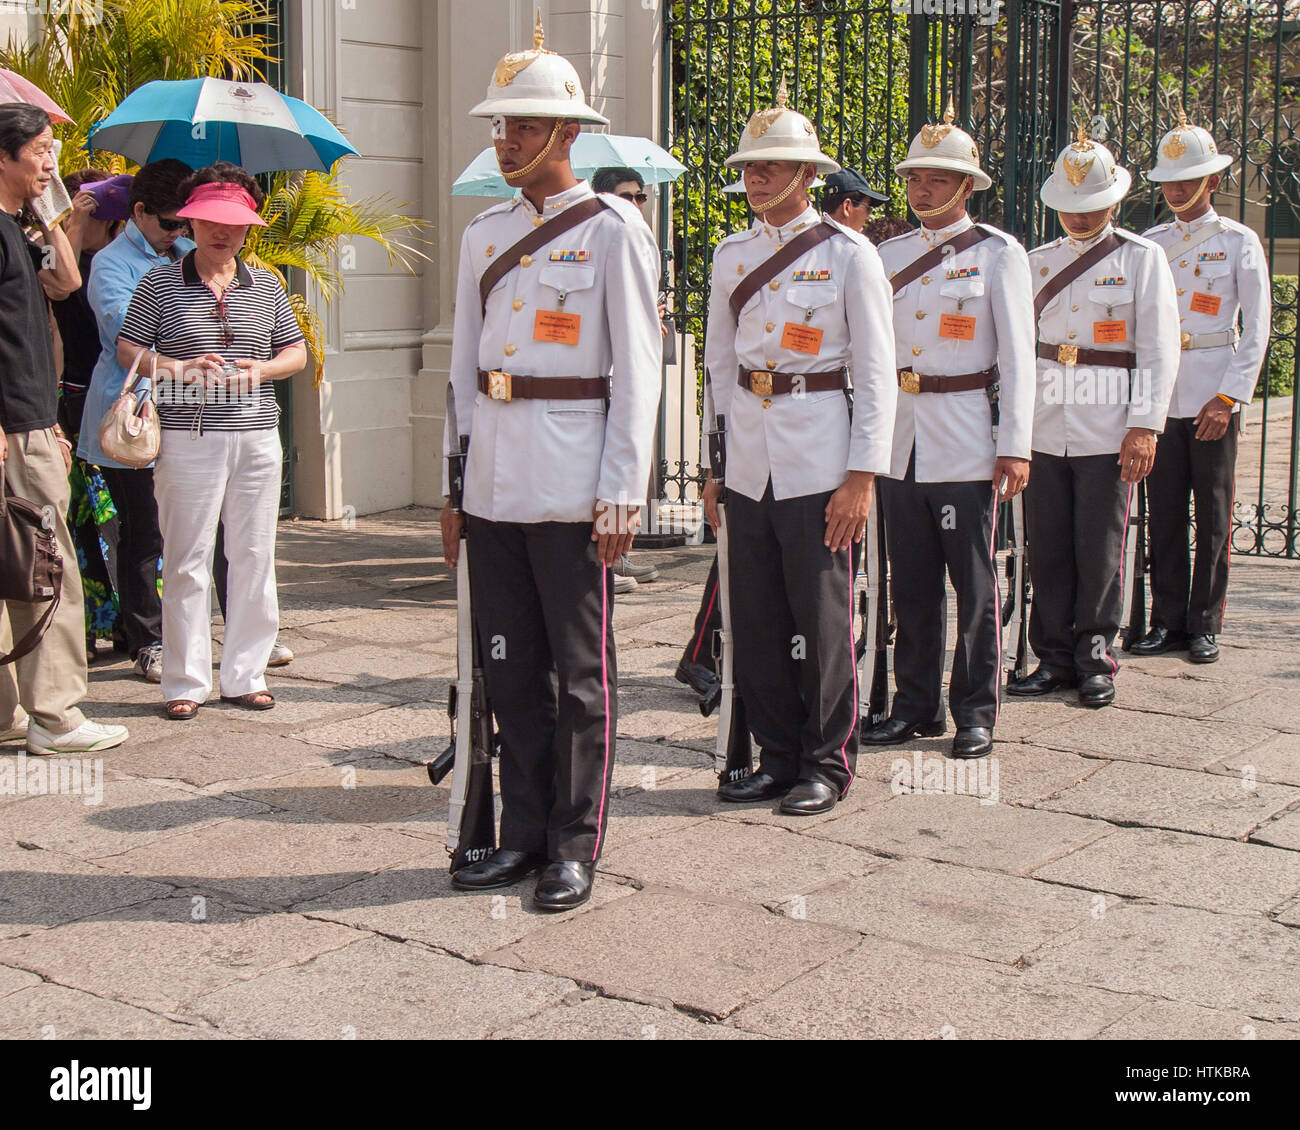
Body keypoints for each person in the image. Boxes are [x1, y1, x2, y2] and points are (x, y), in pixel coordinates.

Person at [440, 15, 661, 910]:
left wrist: (622, 493)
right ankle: (523, 834)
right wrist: (452, 487)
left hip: (573, 486)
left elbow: (638, 370)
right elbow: (461, 371)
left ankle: (574, 843)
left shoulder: (613, 229)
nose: (507, 141)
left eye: (524, 126)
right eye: (500, 126)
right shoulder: (484, 234)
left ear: (569, 133)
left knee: (577, 676)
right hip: (493, 482)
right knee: (507, 666)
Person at [701, 80, 897, 815]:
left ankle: (826, 763)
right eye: (750, 166)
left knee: (820, 618)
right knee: (755, 617)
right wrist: (716, 465)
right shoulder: (730, 254)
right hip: (750, 454)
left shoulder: (849, 254)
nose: (755, 178)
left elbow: (877, 375)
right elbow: (719, 368)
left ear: (808, 176)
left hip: (820, 450)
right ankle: (776, 756)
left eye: (771, 167)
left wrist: (862, 476)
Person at [864, 102, 1035, 761]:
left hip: (965, 436)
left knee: (973, 582)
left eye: (938, 178)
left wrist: (1014, 443)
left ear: (967, 186)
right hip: (902, 438)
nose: (922, 188)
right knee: (909, 581)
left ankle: (975, 710)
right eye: (915, 177)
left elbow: (1020, 356)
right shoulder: (887, 253)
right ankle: (915, 705)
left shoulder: (999, 255)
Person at [115, 162, 306, 720]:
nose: (222, 233)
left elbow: (295, 352)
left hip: (256, 435)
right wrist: (177, 367)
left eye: (235, 225)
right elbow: (129, 349)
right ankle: (184, 680)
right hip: (187, 438)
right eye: (209, 222)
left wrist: (261, 370)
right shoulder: (160, 282)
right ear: (191, 223)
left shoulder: (266, 284)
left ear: (249, 228)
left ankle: (246, 673)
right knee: (186, 557)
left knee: (252, 554)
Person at [1009, 126, 1179, 708]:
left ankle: (1096, 655)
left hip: (1109, 421)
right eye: (1068, 208)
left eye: (1090, 208)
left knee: (1101, 544)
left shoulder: (1142, 256)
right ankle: (1052, 655)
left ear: (1113, 203)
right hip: (1043, 417)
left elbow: (1158, 347)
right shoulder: (1033, 263)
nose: (1078, 219)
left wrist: (1145, 424)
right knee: (1049, 545)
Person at [0, 102, 128, 755]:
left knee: (12, 567)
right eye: (41, 149)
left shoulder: (18, 230)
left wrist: (53, 218)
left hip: (29, 419)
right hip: (11, 429)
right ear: (3, 155)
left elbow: (66, 283)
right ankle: (54, 715)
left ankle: (12, 712)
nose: (50, 159)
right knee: (46, 566)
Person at [1133, 111, 1270, 664]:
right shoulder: (1149, 242)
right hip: (1162, 394)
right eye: (1169, 179)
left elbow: (1257, 326)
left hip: (1214, 386)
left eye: (1188, 178)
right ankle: (1167, 619)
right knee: (1163, 510)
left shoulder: (1238, 241)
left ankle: (1205, 621)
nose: (1177, 188)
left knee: (1212, 512)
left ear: (1213, 181)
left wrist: (1230, 396)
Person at [81, 159, 194, 684]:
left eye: (186, 224)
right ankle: (145, 639)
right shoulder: (111, 262)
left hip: (191, 411)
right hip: (136, 415)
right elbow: (126, 336)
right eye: (171, 223)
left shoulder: (191, 253)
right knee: (143, 530)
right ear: (140, 212)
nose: (180, 233)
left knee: (195, 529)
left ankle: (191, 628)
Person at [47, 168, 127, 663]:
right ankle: (93, 624)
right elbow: (61, 285)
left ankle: (128, 621)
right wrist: (72, 223)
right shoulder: (59, 257)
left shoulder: (120, 264)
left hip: (110, 404)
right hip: (69, 399)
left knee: (117, 519)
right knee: (80, 519)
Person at [591, 165, 663, 595]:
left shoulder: (636, 240)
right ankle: (608, 563)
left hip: (627, 379)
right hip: (596, 385)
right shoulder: (602, 236)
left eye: (641, 196)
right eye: (627, 195)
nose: (636, 203)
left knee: (625, 475)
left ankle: (618, 557)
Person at [820, 168, 888, 235]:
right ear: (847, 207)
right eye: (868, 209)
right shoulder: (857, 245)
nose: (868, 217)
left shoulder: (811, 237)